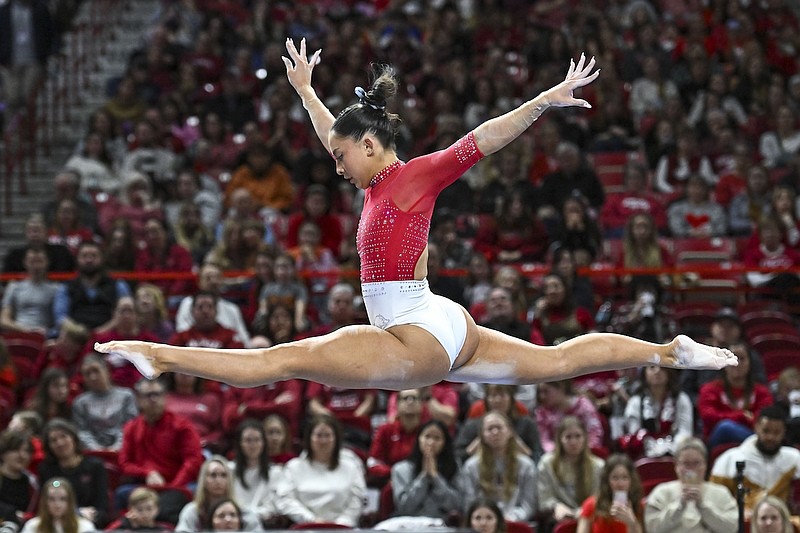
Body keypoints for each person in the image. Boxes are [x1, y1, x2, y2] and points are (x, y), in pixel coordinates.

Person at [95, 40, 736, 400]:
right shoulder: (375, 179)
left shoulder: (409, 178)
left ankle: (156, 354)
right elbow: (333, 134)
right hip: (438, 320)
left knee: (281, 361)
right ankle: (670, 352)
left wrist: (540, 102)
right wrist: (306, 92)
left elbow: (479, 141)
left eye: (344, 157)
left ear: (370, 148)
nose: (337, 166)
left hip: (417, 332)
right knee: (558, 362)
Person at [117, 378, 204, 524]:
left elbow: (193, 461)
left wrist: (174, 486)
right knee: (121, 493)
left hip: (178, 484)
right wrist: (147, 473)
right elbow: (124, 463)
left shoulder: (182, 426)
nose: (153, 399)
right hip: (145, 486)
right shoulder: (131, 428)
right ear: (138, 399)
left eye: (157, 394)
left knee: (188, 494)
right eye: (148, 395)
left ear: (166, 397)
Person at [275, 414, 366, 527]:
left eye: (327, 435)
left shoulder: (351, 467)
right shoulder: (293, 467)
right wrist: (312, 521)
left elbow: (357, 500)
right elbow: (285, 499)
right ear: (309, 438)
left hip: (344, 528)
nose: (323, 441)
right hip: (305, 527)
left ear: (336, 438)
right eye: (318, 435)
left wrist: (340, 524)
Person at [709, 405, 800, 514]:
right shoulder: (729, 459)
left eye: (776, 433)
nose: (771, 437)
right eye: (766, 431)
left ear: (784, 432)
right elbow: (715, 500)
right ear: (756, 427)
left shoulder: (794, 459)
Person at [644, 437, 738, 533]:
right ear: (676, 466)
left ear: (705, 465)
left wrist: (703, 507)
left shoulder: (721, 493)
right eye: (686, 464)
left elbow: (732, 528)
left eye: (696, 463)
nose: (691, 469)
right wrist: (679, 506)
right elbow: (652, 528)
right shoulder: (661, 492)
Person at [459, 411, 537, 522]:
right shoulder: (471, 467)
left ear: (510, 432)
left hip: (515, 523)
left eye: (499, 428)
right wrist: (487, 520)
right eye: (490, 429)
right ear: (482, 436)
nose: (495, 432)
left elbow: (528, 505)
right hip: (483, 524)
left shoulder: (526, 466)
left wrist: (510, 519)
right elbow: (469, 503)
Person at [698, 342, 773, 450]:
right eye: (731, 358)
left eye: (742, 358)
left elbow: (765, 421)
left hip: (753, 436)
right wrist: (741, 416)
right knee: (725, 427)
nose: (736, 363)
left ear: (750, 363)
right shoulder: (709, 390)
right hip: (716, 442)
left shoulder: (762, 392)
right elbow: (709, 418)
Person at [37, 419, 110, 528]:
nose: (60, 443)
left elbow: (102, 505)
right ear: (49, 446)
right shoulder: (47, 470)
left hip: (90, 522)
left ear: (74, 438)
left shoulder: (94, 466)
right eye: (53, 440)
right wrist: (77, 512)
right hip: (56, 524)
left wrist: (93, 517)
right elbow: (48, 503)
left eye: (64, 436)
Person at [537, 416, 604, 528]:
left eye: (578, 436)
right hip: (558, 517)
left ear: (585, 438)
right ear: (560, 440)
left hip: (590, 515)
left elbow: (598, 497)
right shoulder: (546, 463)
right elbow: (544, 498)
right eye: (568, 437)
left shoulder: (598, 466)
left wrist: (583, 511)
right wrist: (556, 506)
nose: (573, 442)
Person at [53, 240, 132, 332]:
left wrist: (100, 332)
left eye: (94, 256)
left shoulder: (118, 285)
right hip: (75, 336)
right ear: (77, 259)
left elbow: (125, 314)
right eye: (84, 256)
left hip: (110, 336)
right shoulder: (66, 287)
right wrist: (78, 332)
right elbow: (60, 318)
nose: (89, 260)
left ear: (102, 259)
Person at [455, 384, 542, 465]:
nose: (498, 400)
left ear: (511, 399)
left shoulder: (526, 424)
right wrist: (479, 442)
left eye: (502, 395)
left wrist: (518, 445)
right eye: (493, 396)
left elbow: (538, 457)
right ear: (486, 400)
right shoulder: (472, 426)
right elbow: (457, 457)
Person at [390, 420, 461, 520]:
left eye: (437, 438)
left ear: (445, 443)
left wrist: (435, 477)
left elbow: (455, 506)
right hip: (409, 525)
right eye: (427, 437)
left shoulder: (454, 466)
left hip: (443, 525)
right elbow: (404, 508)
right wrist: (424, 477)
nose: (431, 442)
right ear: (419, 439)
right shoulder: (401, 469)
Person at [618, 366, 693, 459]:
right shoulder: (635, 401)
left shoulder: (681, 399)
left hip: (675, 454)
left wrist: (670, 449)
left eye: (662, 368)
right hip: (644, 455)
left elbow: (685, 432)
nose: (657, 371)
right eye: (652, 367)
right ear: (644, 373)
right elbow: (634, 433)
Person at [174, 456, 262, 533]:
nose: (218, 480)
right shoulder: (192, 511)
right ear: (204, 480)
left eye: (223, 475)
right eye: (213, 475)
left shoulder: (243, 512)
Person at [71, 354, 137, 451]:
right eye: (87, 374)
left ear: (106, 371)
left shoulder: (126, 396)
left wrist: (117, 447)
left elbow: (131, 426)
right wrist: (96, 449)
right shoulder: (80, 403)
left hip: (125, 449)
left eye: (96, 371)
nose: (93, 377)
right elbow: (82, 432)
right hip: (92, 453)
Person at [229, 420, 284, 527]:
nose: (253, 445)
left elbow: (273, 507)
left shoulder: (275, 472)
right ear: (240, 443)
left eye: (257, 440)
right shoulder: (229, 470)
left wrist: (249, 515)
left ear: (263, 443)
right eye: (248, 440)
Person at [576, 454, 643, 533]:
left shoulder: (637, 505)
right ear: (606, 480)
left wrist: (631, 523)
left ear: (632, 480)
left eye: (625, 478)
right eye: (615, 478)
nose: (620, 484)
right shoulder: (591, 505)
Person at [0, 247, 58, 337]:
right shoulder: (14, 287)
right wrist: (27, 331)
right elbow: (3, 320)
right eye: (32, 262)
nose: (36, 266)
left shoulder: (56, 289)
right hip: (18, 334)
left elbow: (60, 320)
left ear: (47, 263)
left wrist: (49, 332)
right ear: (25, 263)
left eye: (39, 262)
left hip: (45, 336)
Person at [20, 478, 95, 533]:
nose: (57, 504)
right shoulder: (33, 526)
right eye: (52, 499)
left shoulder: (85, 527)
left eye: (63, 499)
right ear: (45, 502)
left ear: (70, 501)